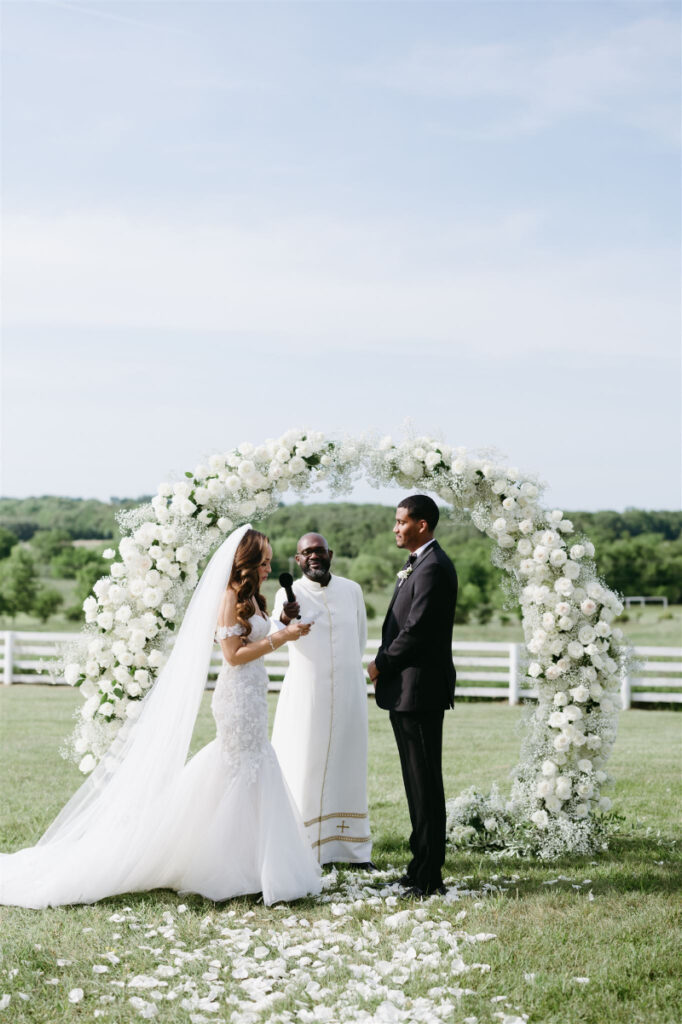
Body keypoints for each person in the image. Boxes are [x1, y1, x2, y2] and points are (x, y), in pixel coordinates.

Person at [0, 525, 322, 908]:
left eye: (270, 562)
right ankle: (226, 865)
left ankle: (251, 862)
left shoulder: (253, 598)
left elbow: (256, 640)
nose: (269, 568)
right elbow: (233, 656)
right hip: (236, 697)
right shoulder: (230, 596)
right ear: (246, 562)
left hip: (253, 696)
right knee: (242, 766)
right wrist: (280, 638)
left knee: (247, 768)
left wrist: (283, 623)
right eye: (264, 561)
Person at [368, 496, 457, 897]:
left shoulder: (434, 567)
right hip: (407, 693)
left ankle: (428, 876)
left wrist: (380, 663)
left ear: (422, 524)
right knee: (415, 784)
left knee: (425, 785)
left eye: (401, 521)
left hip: (418, 692)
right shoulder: (419, 563)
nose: (395, 528)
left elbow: (417, 631)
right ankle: (418, 865)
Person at [271, 533, 373, 867]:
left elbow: (360, 637)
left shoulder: (352, 590)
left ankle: (352, 851)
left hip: (348, 691)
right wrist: (286, 618)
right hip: (306, 692)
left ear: (330, 554)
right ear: (297, 560)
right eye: (306, 552)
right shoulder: (288, 595)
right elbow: (276, 632)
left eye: (319, 551)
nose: (314, 556)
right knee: (305, 763)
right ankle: (305, 848)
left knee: (349, 762)